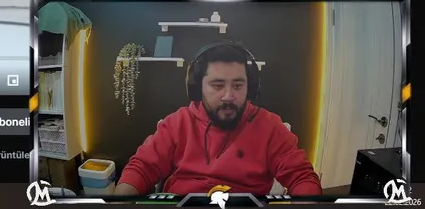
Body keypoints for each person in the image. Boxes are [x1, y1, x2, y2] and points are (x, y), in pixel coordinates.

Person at [114, 43, 321, 197]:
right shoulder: (177, 123)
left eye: (238, 86)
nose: (228, 96)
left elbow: (302, 178)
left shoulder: (271, 127)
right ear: (198, 88)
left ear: (250, 87)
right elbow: (142, 168)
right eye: (217, 85)